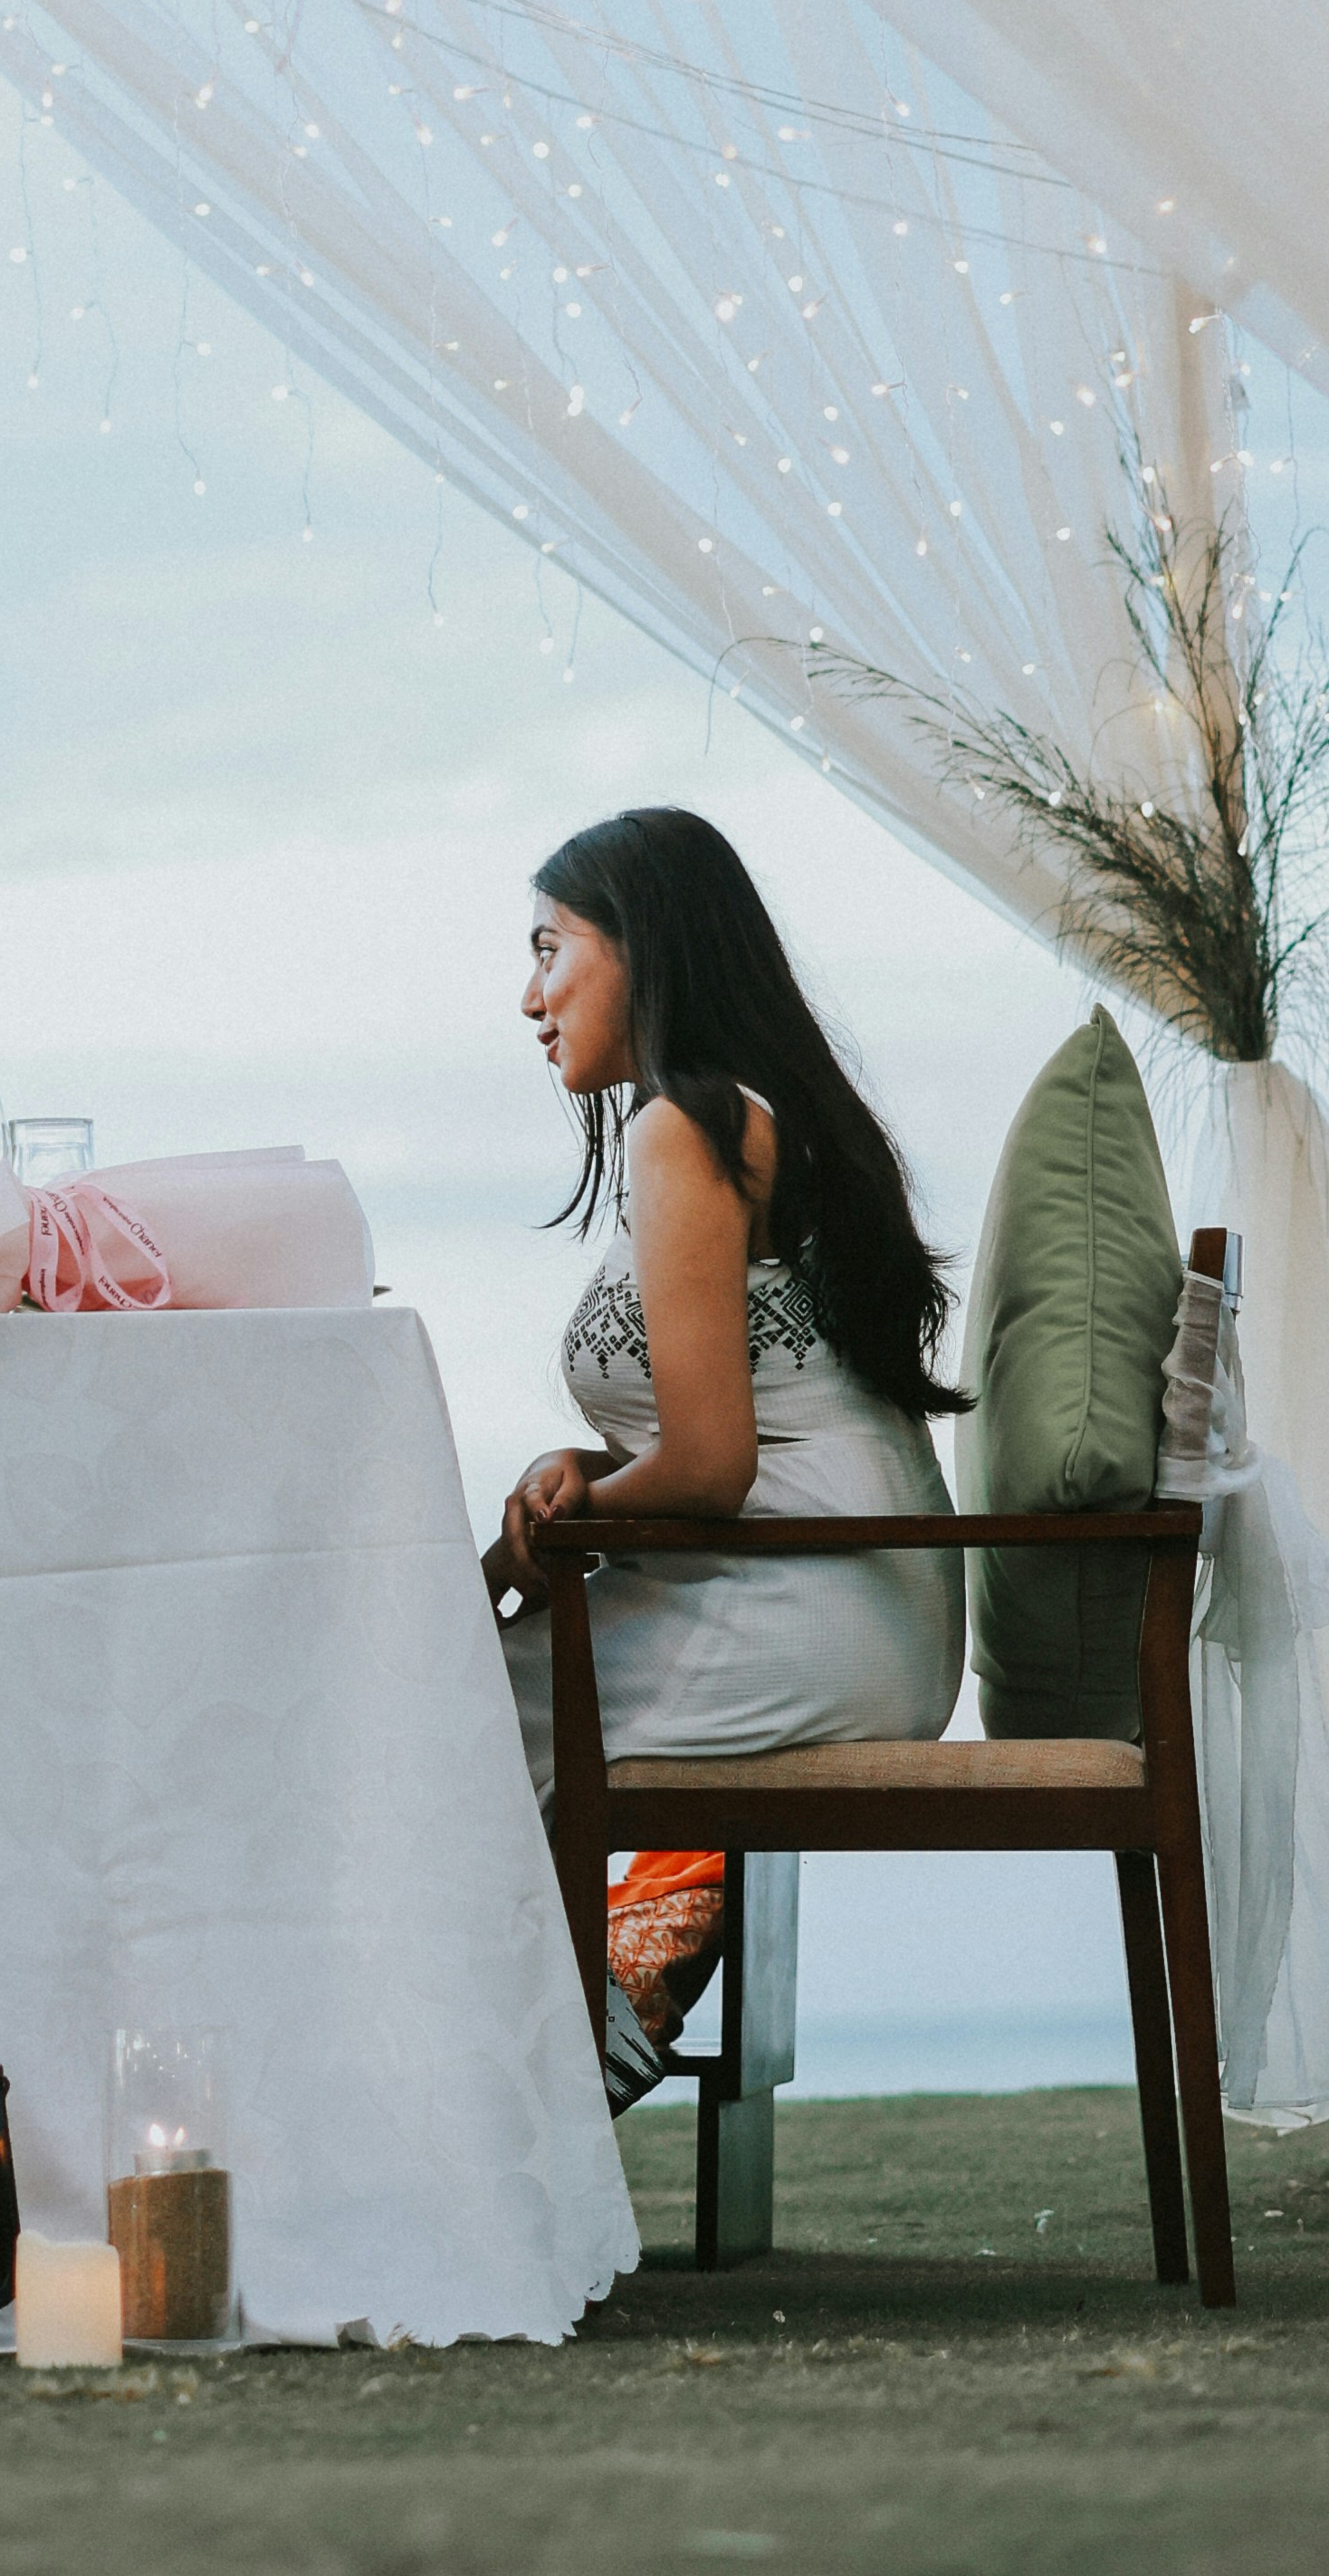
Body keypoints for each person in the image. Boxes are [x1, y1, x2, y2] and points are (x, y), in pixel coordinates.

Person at [488, 807, 967, 2094]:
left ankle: (530, 2065)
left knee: (435, 1707)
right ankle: (561, 2035)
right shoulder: (739, 1117)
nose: (530, 996)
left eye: (550, 948)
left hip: (813, 1599)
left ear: (644, 948)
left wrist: (563, 1537)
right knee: (448, 1689)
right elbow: (714, 1423)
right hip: (841, 1588)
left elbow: (709, 1468)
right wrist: (588, 1474)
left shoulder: (691, 1126)